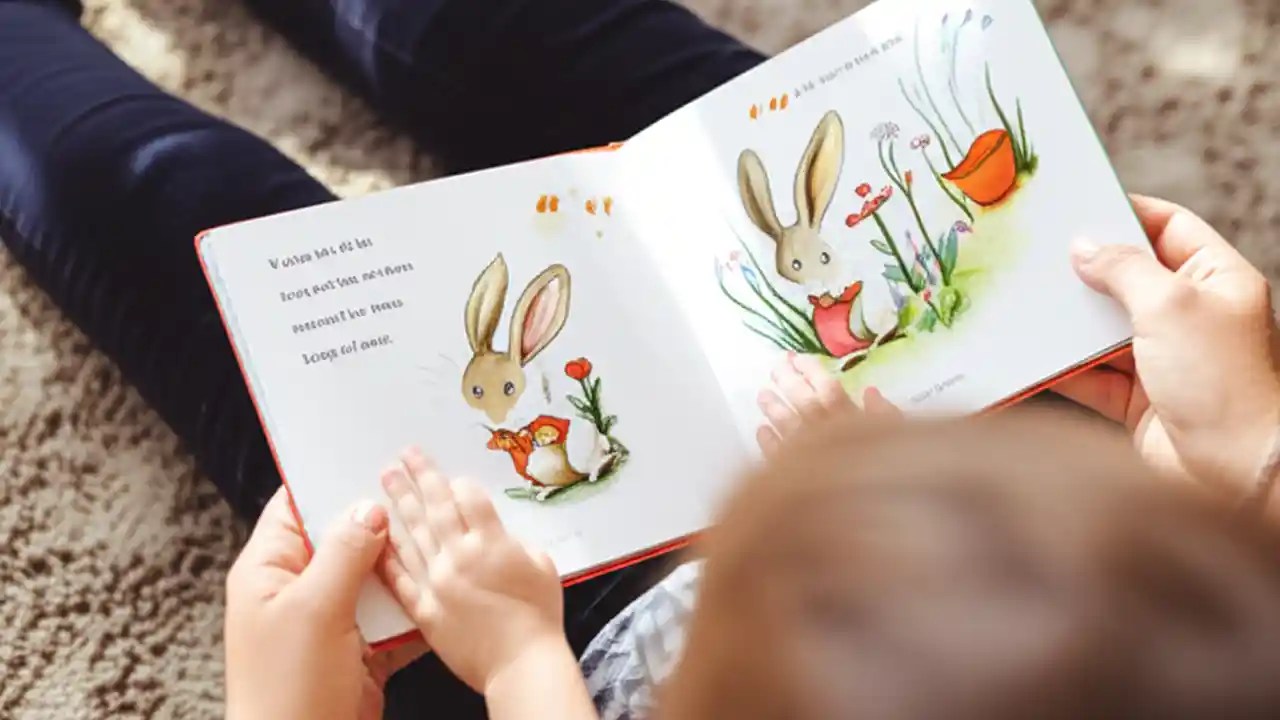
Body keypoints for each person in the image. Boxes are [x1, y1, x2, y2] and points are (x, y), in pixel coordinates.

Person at [223, 195, 1280, 718]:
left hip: (565, 648)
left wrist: (516, 663)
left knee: (218, 228)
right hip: (813, 524)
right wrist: (1251, 459)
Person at [0, 0, 764, 714]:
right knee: (524, 33)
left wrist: (518, 661)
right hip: (799, 504)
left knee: (188, 209)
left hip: (584, 655)